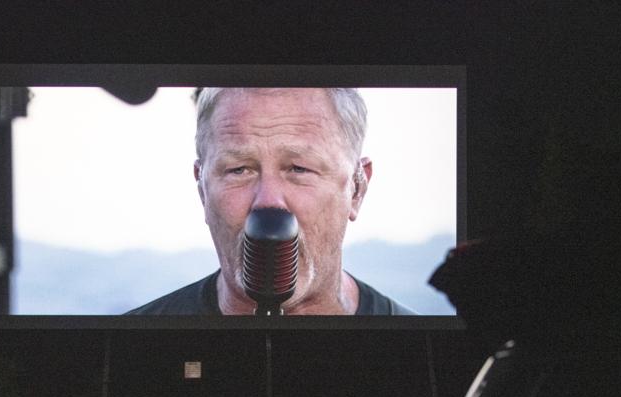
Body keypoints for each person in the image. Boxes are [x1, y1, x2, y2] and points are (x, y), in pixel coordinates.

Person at [126, 87, 416, 316]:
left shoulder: (424, 351)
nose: (268, 202)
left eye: (299, 169)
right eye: (238, 170)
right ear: (202, 189)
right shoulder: (130, 348)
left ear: (357, 189)